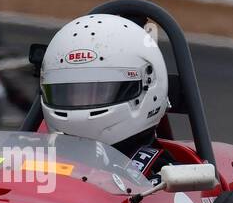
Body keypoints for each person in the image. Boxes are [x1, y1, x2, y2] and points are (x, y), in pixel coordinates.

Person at [38, 13, 172, 176]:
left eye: (98, 91)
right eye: (70, 92)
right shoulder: (33, 156)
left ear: (147, 83)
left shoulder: (167, 177)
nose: (81, 103)